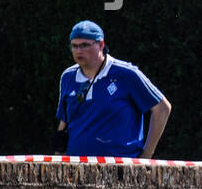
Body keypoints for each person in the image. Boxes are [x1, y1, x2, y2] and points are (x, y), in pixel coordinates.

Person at [55, 20, 171, 158]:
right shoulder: (67, 77)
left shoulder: (126, 74)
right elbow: (64, 121)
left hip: (120, 169)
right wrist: (58, 157)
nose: (78, 51)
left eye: (85, 45)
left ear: (101, 44)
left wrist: (146, 156)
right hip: (75, 168)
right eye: (74, 46)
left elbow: (162, 108)